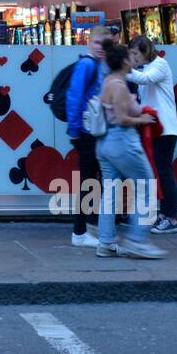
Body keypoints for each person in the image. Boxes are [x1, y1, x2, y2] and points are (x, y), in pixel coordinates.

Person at [95, 39, 166, 259]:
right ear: (125, 61)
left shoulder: (108, 81)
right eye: (131, 55)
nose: (134, 58)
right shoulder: (119, 87)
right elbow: (124, 119)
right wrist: (142, 118)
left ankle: (106, 241)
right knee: (146, 186)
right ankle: (137, 240)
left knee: (110, 192)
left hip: (105, 144)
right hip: (123, 142)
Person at [128, 35, 177, 234]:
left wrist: (122, 69)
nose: (133, 58)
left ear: (145, 51)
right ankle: (164, 214)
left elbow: (144, 79)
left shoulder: (161, 65)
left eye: (135, 53)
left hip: (165, 129)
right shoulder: (148, 68)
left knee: (165, 172)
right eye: (131, 54)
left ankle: (171, 218)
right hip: (155, 127)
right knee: (160, 172)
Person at [66, 26, 112, 247]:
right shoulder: (87, 64)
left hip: (94, 132)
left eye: (105, 44)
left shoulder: (99, 65)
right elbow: (74, 97)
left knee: (92, 179)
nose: (101, 48)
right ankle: (80, 230)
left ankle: (87, 227)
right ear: (88, 43)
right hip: (88, 133)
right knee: (89, 180)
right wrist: (74, 130)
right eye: (97, 43)